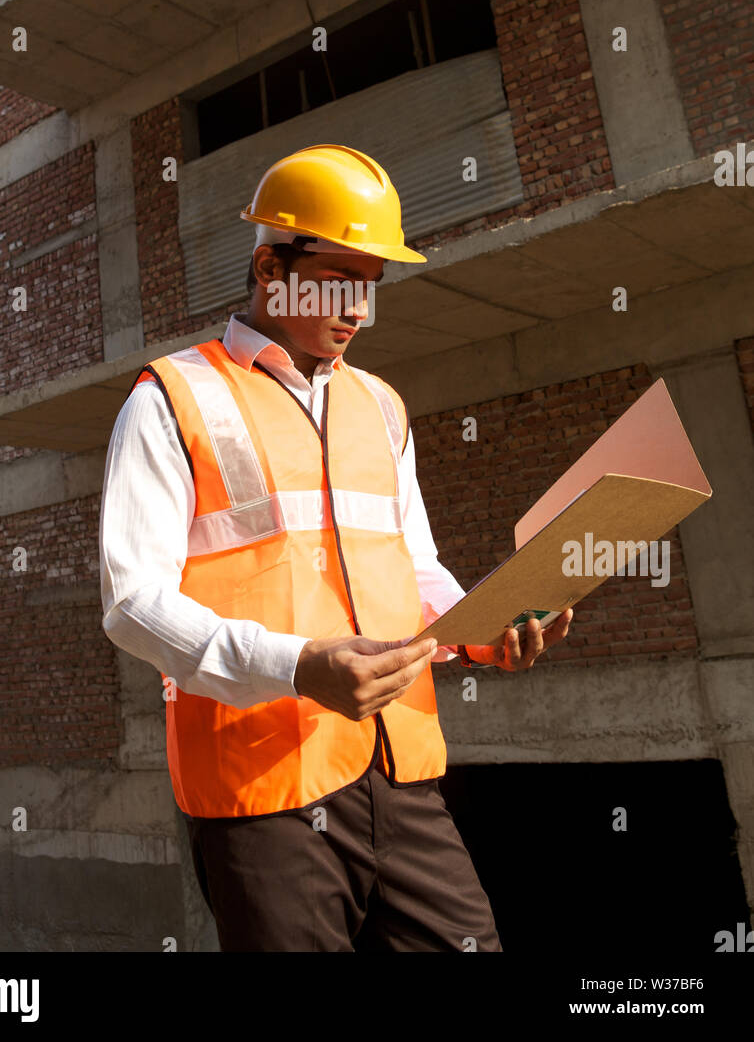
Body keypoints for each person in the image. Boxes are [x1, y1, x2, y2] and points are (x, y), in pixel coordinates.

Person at [99, 143, 573, 951]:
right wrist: (297, 667)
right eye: (336, 280)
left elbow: (413, 568)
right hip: (266, 787)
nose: (356, 308)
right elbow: (133, 605)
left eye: (370, 286)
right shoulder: (171, 399)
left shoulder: (381, 407)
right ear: (268, 266)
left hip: (403, 769)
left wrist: (479, 627)